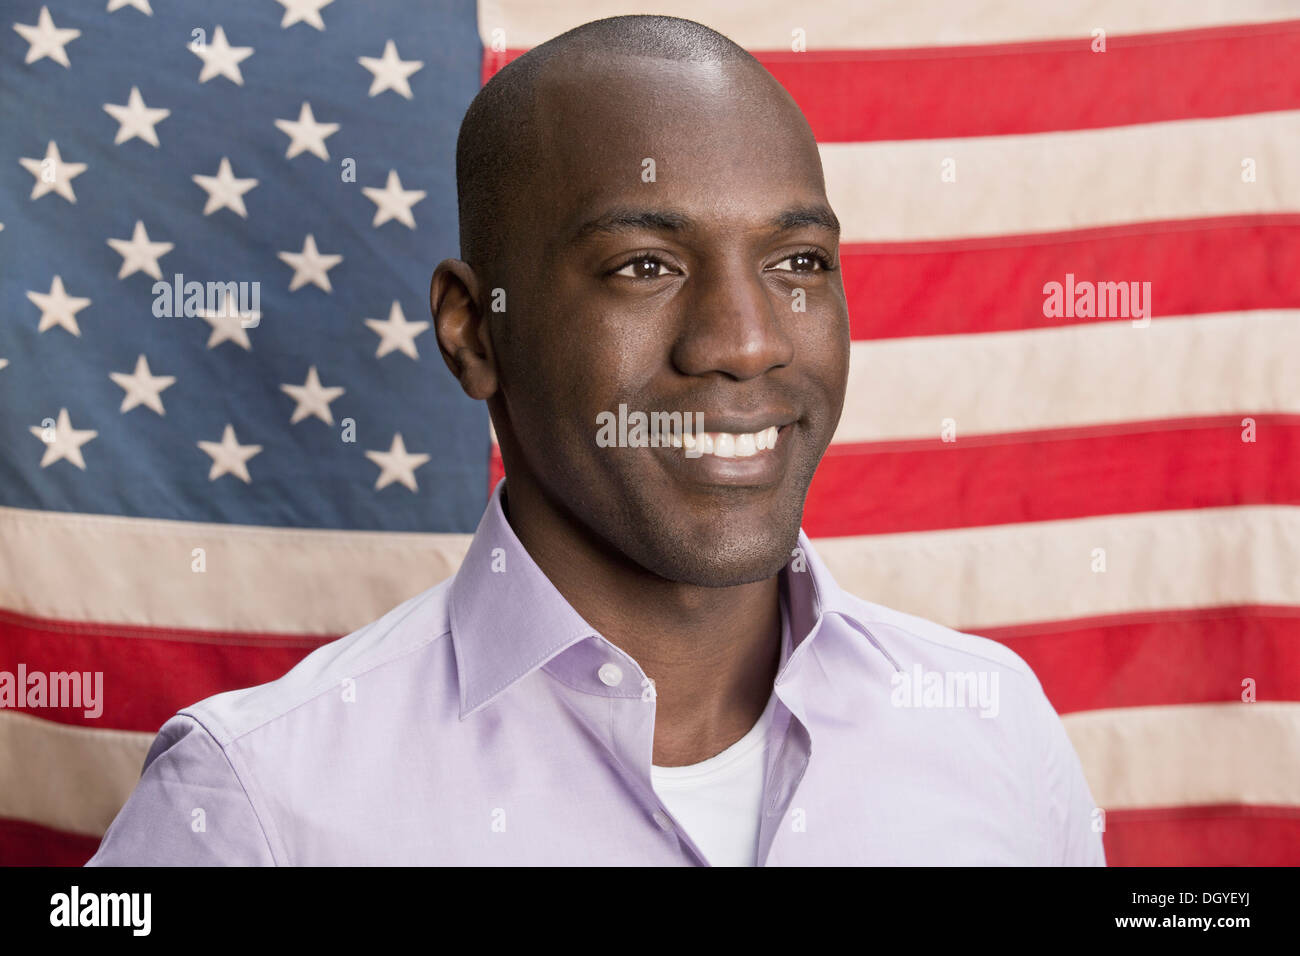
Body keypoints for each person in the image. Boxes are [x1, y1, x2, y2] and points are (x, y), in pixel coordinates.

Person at [88, 14, 1105, 866]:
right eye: (642, 266)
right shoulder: (256, 802)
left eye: (797, 260)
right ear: (475, 331)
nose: (745, 342)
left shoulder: (994, 727)